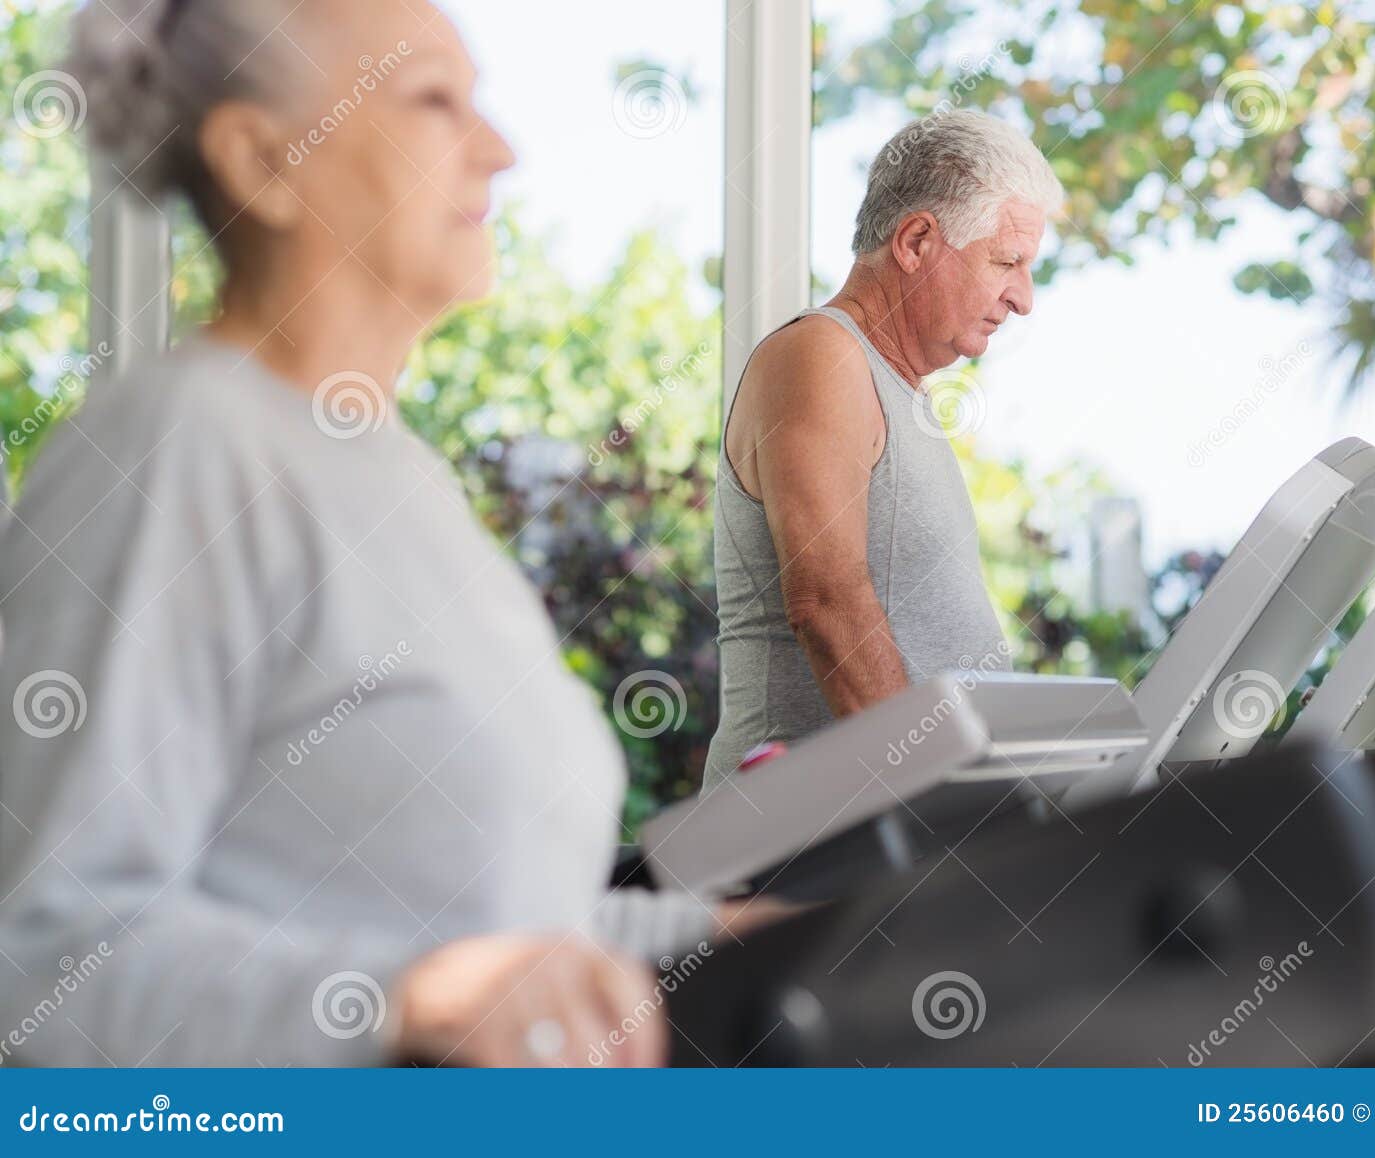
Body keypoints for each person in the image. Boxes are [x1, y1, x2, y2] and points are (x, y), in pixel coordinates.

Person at [0, 0, 770, 1068]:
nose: (501, 150)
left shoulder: (402, 479)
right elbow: (41, 963)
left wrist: (749, 936)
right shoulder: (177, 444)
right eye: (434, 101)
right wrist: (404, 1000)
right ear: (264, 161)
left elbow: (505, 928)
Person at [704, 110, 1064, 788]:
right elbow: (827, 602)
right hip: (810, 827)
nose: (1023, 298)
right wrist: (930, 798)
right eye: (1006, 262)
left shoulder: (898, 391)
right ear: (916, 241)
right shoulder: (822, 355)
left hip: (900, 819)